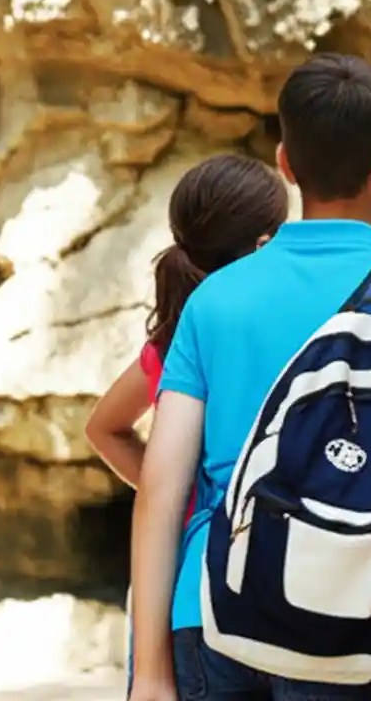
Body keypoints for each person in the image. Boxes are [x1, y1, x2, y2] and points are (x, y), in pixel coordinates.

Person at [127, 53, 371, 701]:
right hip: (344, 614)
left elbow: (160, 488)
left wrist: (148, 674)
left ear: (285, 162)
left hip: (210, 609)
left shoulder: (215, 298)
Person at [85, 154, 288, 489]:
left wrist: (177, 502)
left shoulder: (172, 344)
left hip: (200, 537)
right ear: (264, 246)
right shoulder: (292, 332)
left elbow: (104, 429)